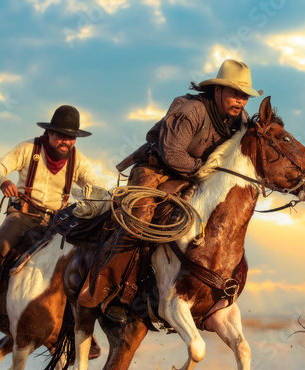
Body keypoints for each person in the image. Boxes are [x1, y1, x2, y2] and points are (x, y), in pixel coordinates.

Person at [76, 59, 262, 319]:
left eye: (244, 96)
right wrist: (203, 170)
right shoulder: (191, 111)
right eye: (235, 93)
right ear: (218, 91)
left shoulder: (239, 120)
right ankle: (109, 286)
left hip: (196, 176)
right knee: (139, 218)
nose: (241, 101)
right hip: (156, 169)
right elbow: (172, 154)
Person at [0, 105, 102, 340]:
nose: (66, 142)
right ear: (49, 133)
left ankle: (78, 323)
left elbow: (94, 186)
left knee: (81, 257)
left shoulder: (78, 161)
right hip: (24, 215)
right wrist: (3, 182)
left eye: (71, 138)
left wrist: (107, 196)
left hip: (58, 222)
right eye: (61, 136)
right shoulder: (29, 149)